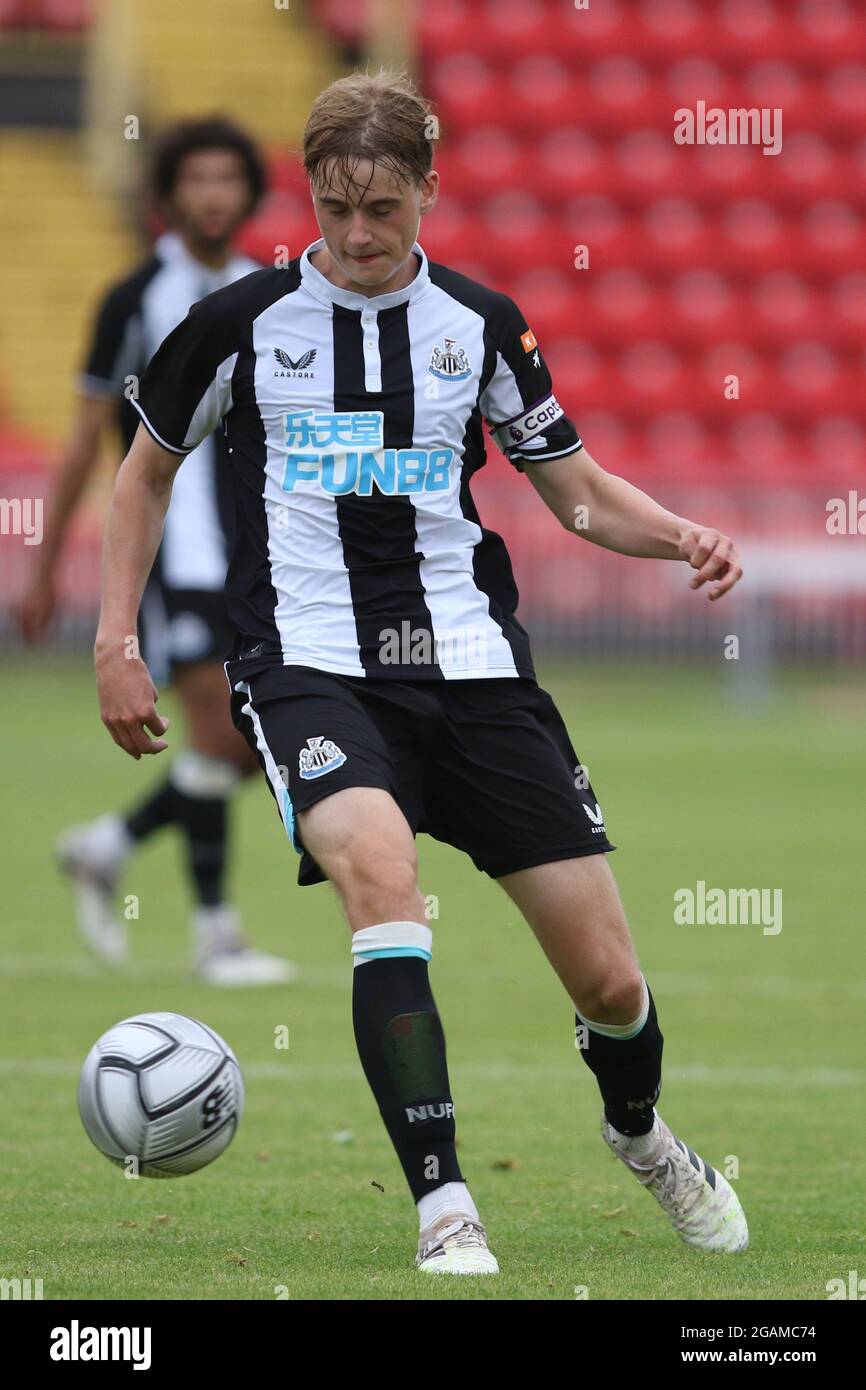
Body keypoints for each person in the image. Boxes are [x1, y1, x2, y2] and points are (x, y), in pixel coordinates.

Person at [93, 71, 748, 1273]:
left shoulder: (480, 325)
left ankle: (642, 1134)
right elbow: (144, 473)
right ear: (311, 193)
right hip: (306, 665)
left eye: (383, 209)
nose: (355, 234)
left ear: (427, 195)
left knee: (607, 981)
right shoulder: (237, 325)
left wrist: (681, 537)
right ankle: (443, 1204)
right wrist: (115, 641)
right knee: (379, 881)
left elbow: (580, 494)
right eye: (336, 206)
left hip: (474, 670)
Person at [18, 117, 295, 986]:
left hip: (267, 555)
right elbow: (83, 441)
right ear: (167, 195)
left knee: (251, 744)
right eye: (195, 178)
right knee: (219, 728)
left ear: (249, 193)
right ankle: (217, 935)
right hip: (176, 557)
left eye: (227, 178)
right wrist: (45, 562)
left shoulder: (275, 292)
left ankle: (108, 845)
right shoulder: (132, 297)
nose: (212, 194)